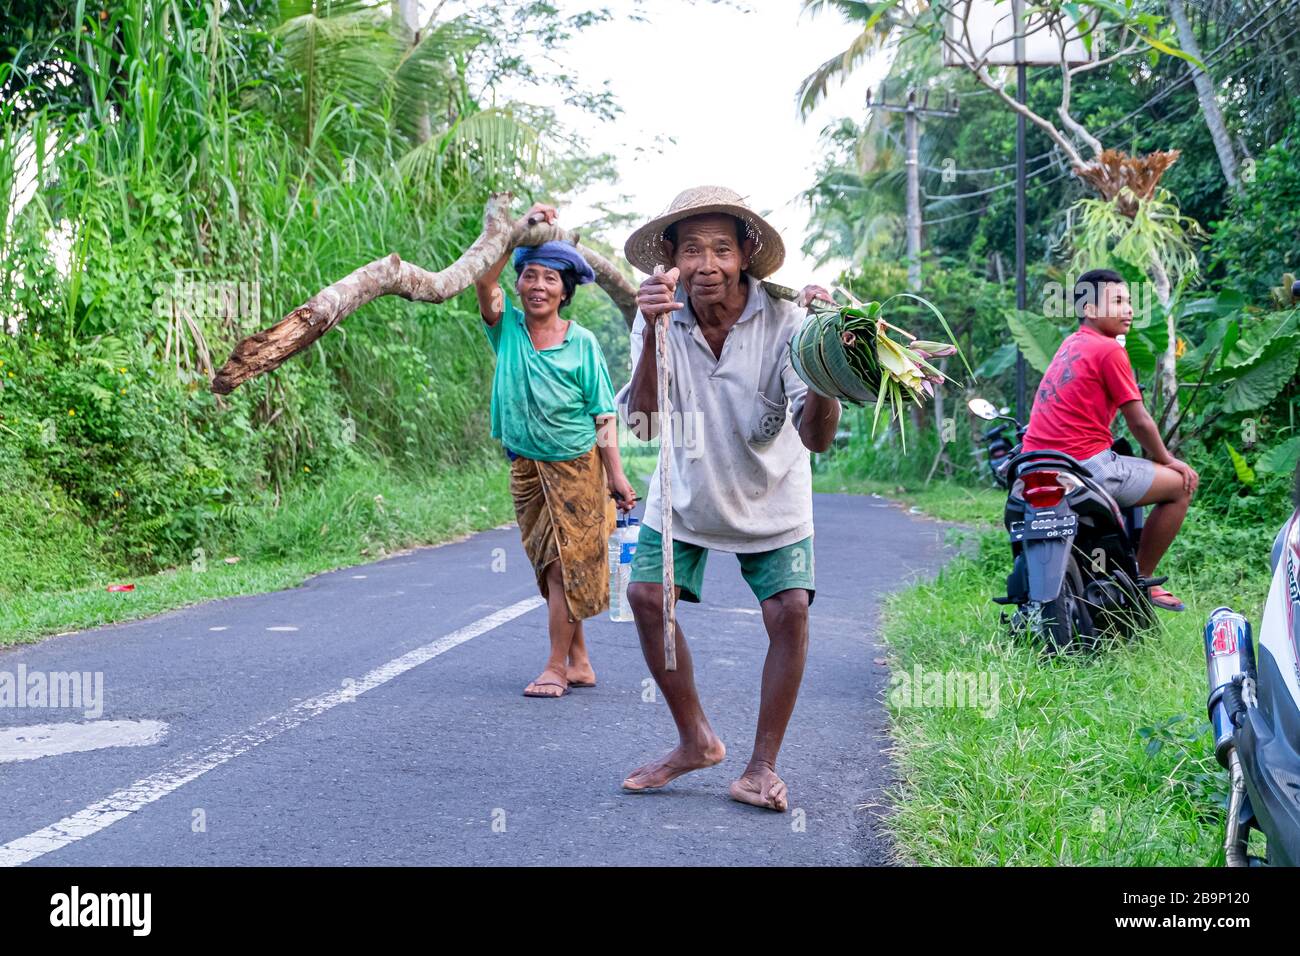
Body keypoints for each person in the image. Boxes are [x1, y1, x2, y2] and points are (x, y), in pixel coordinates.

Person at [616, 185, 840, 811]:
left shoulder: (789, 320)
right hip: (685, 487)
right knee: (644, 597)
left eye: (721, 248)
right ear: (671, 261)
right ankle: (696, 741)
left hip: (772, 491)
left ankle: (760, 767)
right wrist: (656, 331)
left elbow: (817, 438)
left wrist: (828, 369)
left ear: (746, 255)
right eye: (691, 250)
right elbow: (642, 427)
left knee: (789, 611)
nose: (706, 264)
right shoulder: (657, 314)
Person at [474, 202, 638, 697]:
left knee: (566, 565)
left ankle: (554, 666)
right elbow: (484, 282)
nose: (539, 286)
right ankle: (581, 659)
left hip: (578, 468)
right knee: (551, 564)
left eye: (551, 279)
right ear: (520, 284)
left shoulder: (583, 343)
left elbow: (603, 416)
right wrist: (521, 231)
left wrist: (617, 475)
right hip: (525, 467)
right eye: (532, 276)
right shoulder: (506, 330)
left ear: (565, 292)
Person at [1021, 268, 1199, 611]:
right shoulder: (1109, 349)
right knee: (1181, 485)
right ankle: (1141, 579)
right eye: (1117, 301)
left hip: (1036, 463)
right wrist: (1168, 459)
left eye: (1129, 302)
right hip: (1086, 466)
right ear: (1089, 309)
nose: (1128, 310)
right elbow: (1139, 421)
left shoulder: (1071, 344)